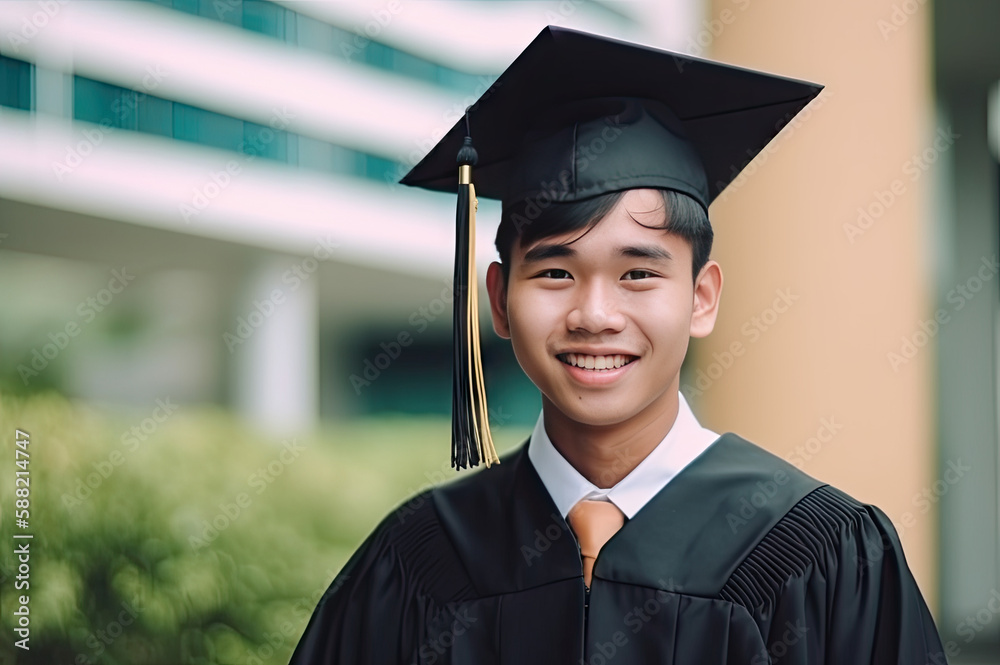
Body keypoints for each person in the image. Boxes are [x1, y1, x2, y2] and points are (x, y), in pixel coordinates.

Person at [289, 26, 947, 665]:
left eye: (638, 274)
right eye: (555, 273)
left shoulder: (825, 555)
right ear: (499, 299)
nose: (595, 315)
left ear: (701, 298)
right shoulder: (415, 563)